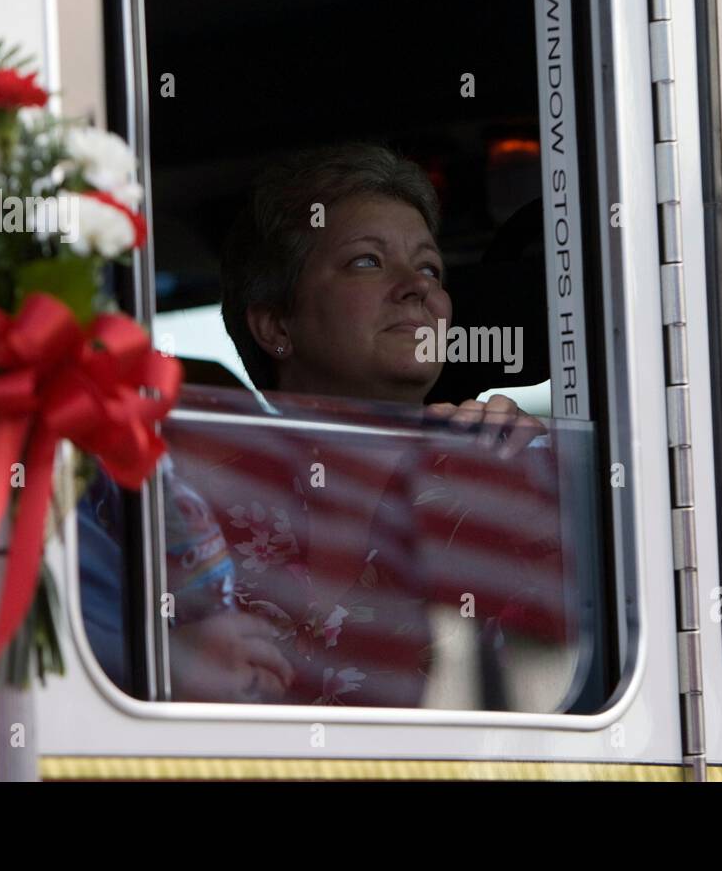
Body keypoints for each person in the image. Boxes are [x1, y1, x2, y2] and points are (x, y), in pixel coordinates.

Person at [85, 143, 557, 706]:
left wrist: (539, 484)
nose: (418, 287)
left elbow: (552, 675)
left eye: (430, 267)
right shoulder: (176, 487)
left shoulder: (494, 473)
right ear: (276, 323)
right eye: (367, 261)